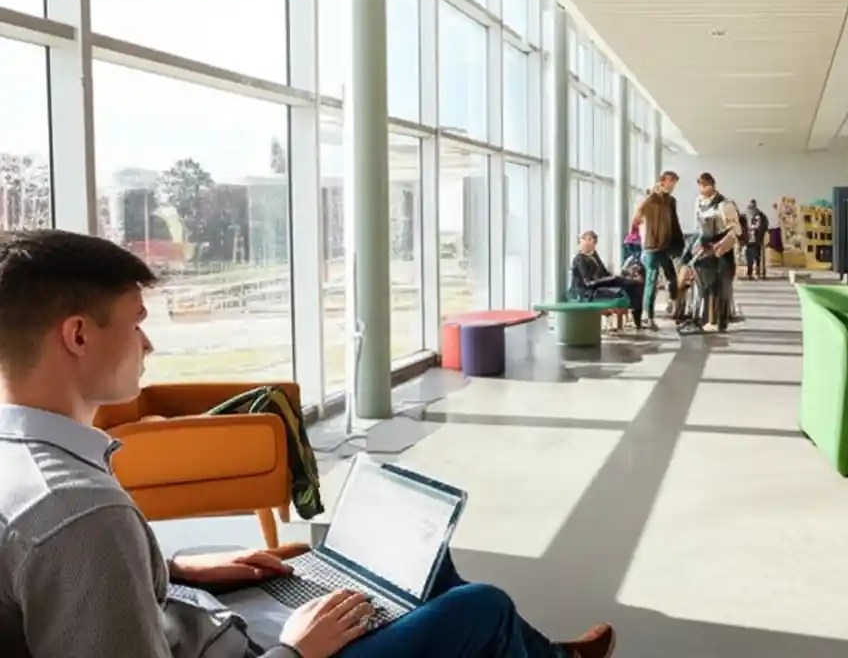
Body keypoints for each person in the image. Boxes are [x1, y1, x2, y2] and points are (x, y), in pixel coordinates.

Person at [0, 229, 616, 658]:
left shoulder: (28, 465)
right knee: (480, 605)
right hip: (264, 651)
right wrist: (298, 648)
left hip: (206, 622)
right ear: (78, 335)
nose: (149, 345)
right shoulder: (81, 513)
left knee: (419, 567)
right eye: (137, 325)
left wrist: (172, 572)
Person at [680, 174, 740, 334]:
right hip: (704, 250)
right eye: (700, 185)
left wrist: (721, 246)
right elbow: (698, 228)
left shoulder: (725, 204)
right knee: (705, 287)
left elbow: (736, 230)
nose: (703, 189)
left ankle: (720, 321)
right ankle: (704, 319)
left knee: (722, 287)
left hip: (722, 250)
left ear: (713, 185)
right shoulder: (698, 202)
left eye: (706, 185)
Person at [632, 171, 684, 330]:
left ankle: (673, 303)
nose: (672, 186)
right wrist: (652, 194)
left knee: (672, 278)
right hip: (652, 246)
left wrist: (678, 245)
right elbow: (637, 217)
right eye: (670, 183)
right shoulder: (650, 200)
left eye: (674, 183)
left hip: (665, 246)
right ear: (662, 182)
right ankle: (648, 315)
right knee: (651, 281)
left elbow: (674, 223)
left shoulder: (670, 201)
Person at [571, 230, 643, 329]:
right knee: (621, 291)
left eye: (593, 241)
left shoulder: (593, 255)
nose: (592, 243)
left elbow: (604, 273)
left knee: (636, 285)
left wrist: (619, 277)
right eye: (589, 240)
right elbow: (588, 283)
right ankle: (629, 312)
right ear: (582, 241)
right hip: (588, 292)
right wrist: (611, 279)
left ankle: (636, 318)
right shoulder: (580, 259)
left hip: (600, 285)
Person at [742, 199, 770, 280]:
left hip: (753, 240)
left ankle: (754, 273)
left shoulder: (757, 215)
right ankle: (754, 273)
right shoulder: (759, 215)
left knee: (753, 257)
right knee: (755, 257)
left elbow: (764, 225)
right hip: (753, 240)